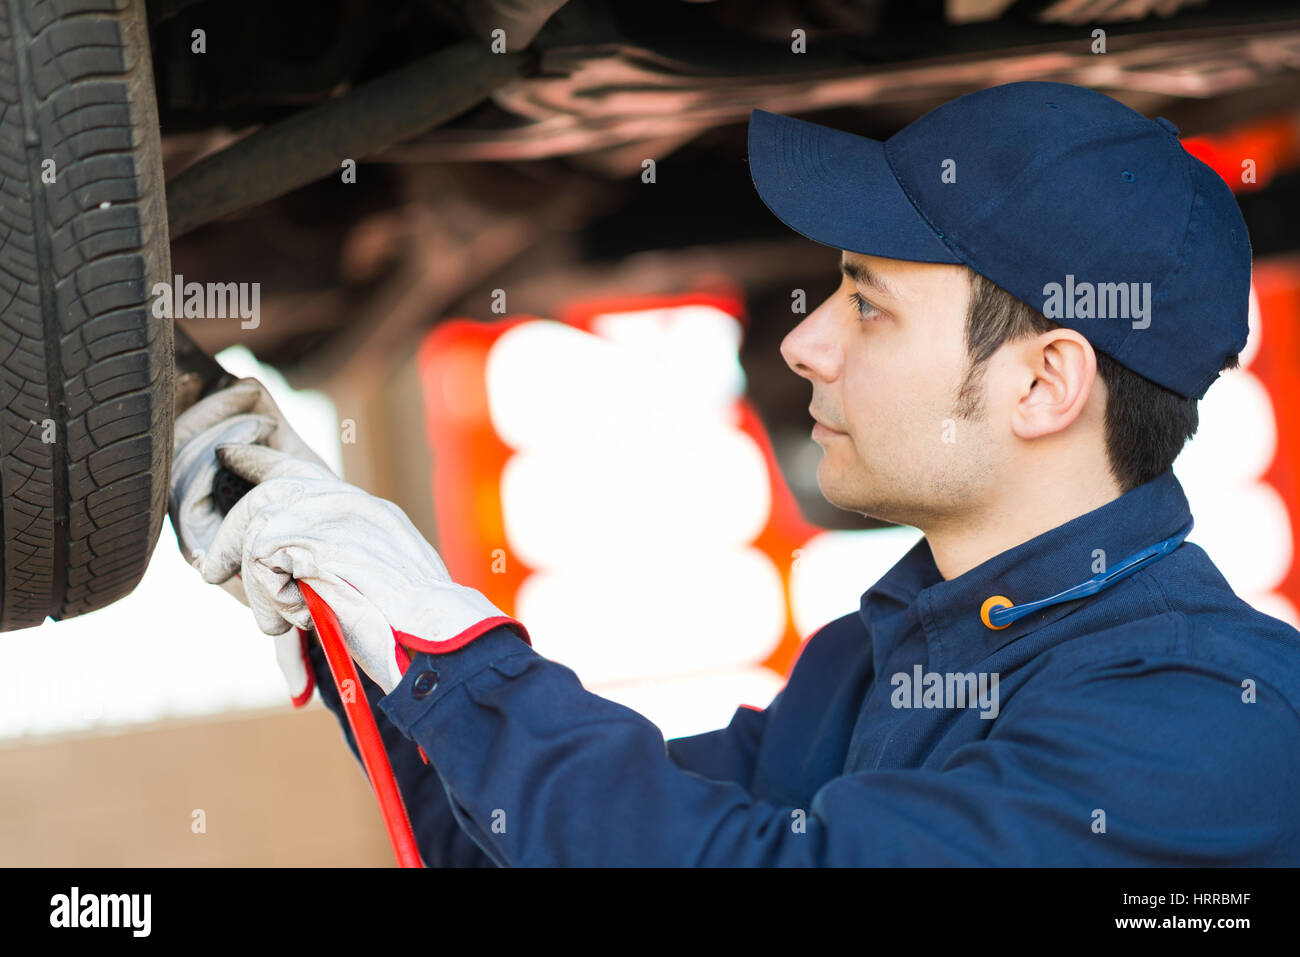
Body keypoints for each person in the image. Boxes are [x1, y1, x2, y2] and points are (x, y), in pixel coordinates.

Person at [170, 81, 1300, 866]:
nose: (804, 344)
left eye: (868, 304)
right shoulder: (880, 659)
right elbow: (529, 848)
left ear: (1045, 384)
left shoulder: (1206, 720)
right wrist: (343, 600)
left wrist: (442, 640)